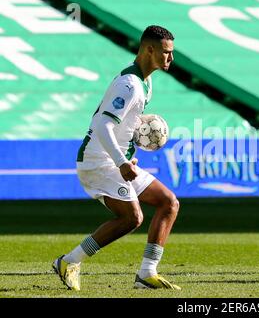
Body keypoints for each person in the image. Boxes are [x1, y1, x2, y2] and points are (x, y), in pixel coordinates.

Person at [53, 25, 181, 290]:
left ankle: (147, 273)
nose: (171, 58)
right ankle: (69, 261)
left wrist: (134, 142)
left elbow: (122, 126)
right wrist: (122, 162)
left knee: (168, 202)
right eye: (166, 53)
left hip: (117, 160)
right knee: (131, 218)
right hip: (98, 161)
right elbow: (102, 125)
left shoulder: (145, 82)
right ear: (149, 49)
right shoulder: (129, 85)